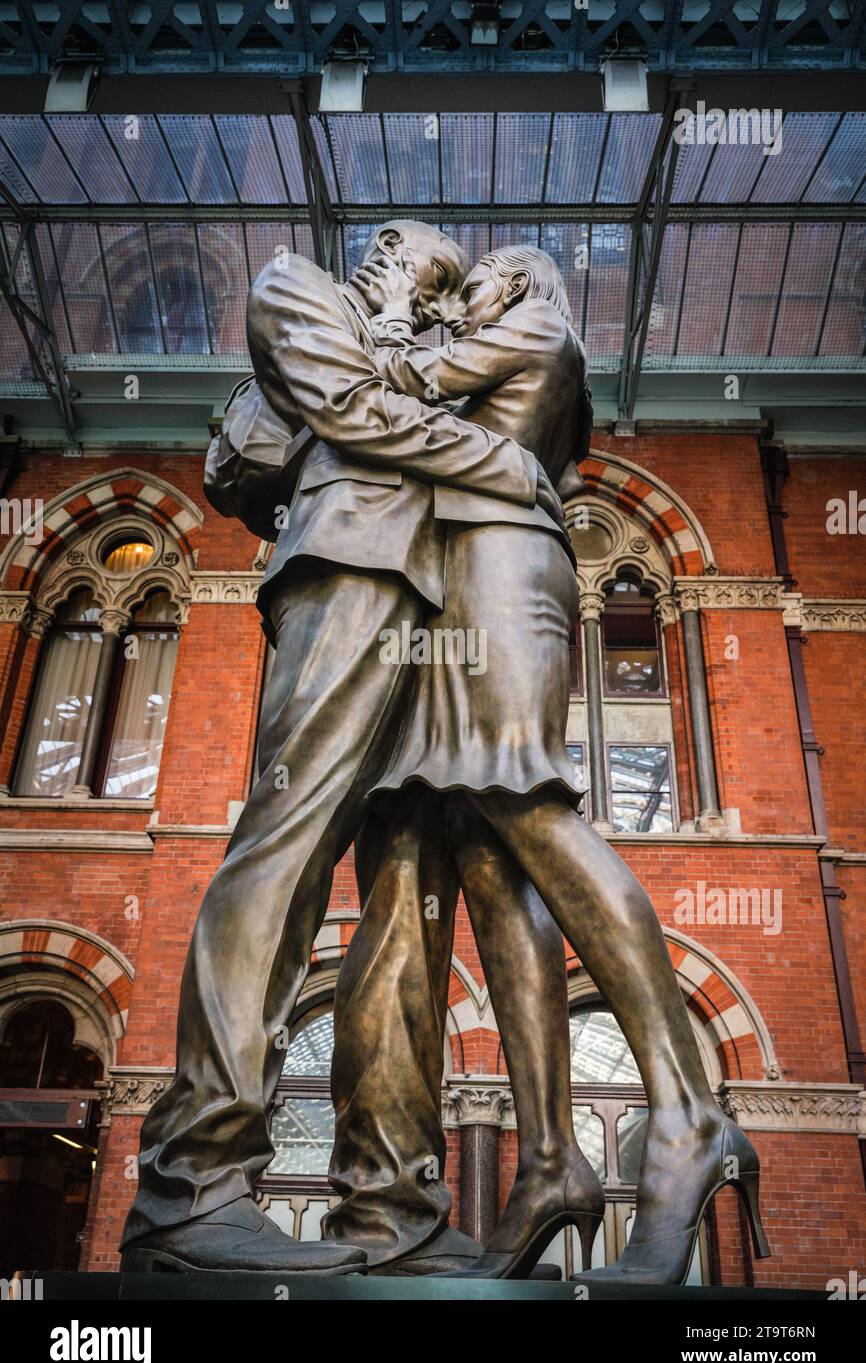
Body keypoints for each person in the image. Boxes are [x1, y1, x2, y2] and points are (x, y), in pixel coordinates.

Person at [119, 221, 558, 1274]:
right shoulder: (298, 288)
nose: (432, 287)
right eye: (424, 265)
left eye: (450, 281)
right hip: (349, 569)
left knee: (410, 899)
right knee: (286, 848)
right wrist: (506, 465)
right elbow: (352, 413)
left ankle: (389, 1210)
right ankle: (193, 1187)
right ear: (382, 251)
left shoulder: (427, 352)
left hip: (440, 603)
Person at [326, 247, 770, 1283]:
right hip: (458, 583)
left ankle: (686, 1115)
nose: (462, 290)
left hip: (500, 572)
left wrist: (394, 312)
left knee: (528, 807)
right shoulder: (509, 344)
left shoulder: (535, 330)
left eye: (477, 278)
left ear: (520, 283)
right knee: (487, 851)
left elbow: (390, 387)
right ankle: (549, 1160)